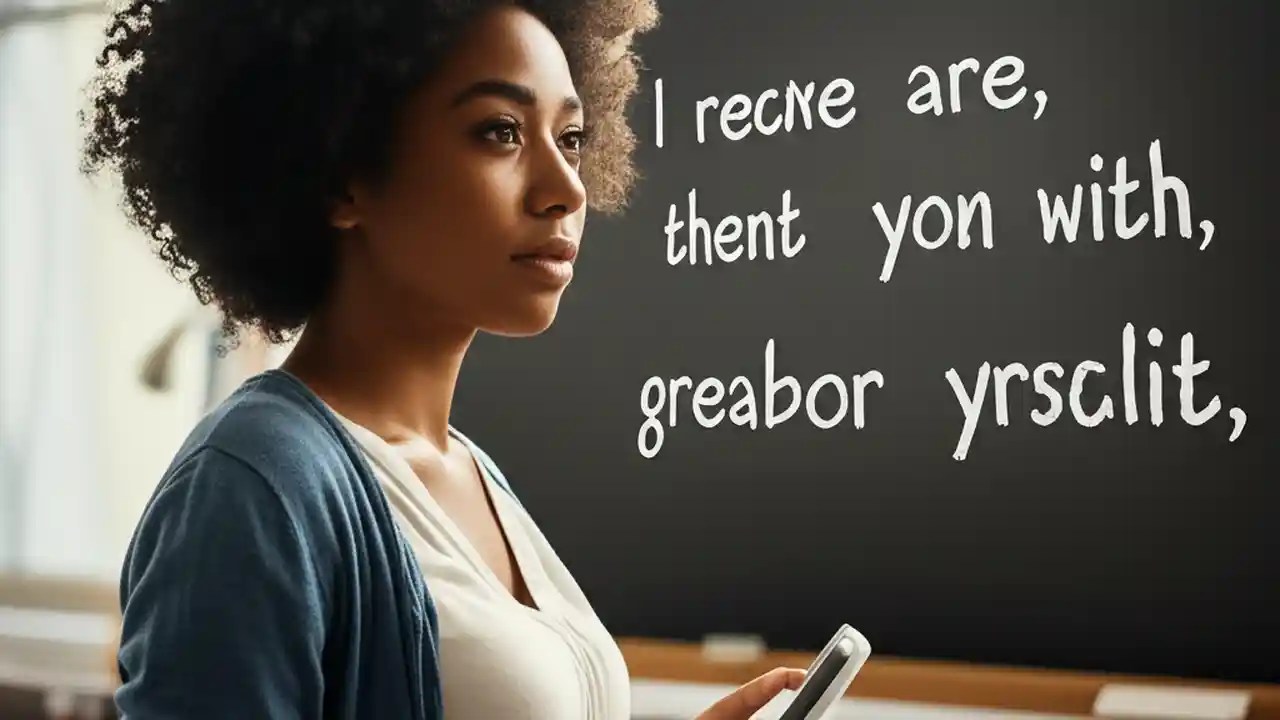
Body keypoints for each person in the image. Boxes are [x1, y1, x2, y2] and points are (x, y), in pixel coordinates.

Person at [81, 1, 806, 718]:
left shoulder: (470, 472)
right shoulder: (249, 484)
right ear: (342, 175)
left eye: (572, 138)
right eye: (501, 131)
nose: (567, 189)